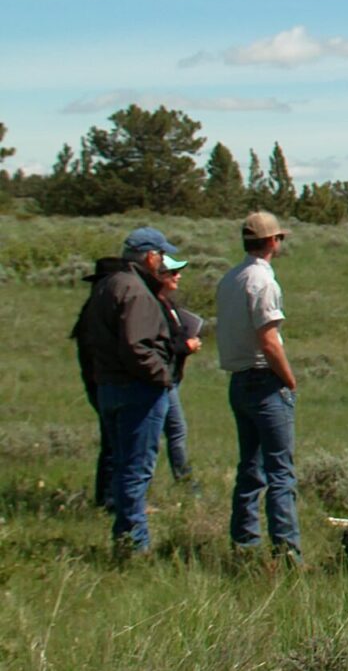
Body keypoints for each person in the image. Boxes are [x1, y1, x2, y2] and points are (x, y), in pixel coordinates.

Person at [80, 227, 182, 555]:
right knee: (136, 471)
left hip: (109, 387)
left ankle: (124, 537)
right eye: (162, 256)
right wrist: (162, 377)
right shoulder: (135, 291)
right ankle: (133, 545)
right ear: (150, 257)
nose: (164, 262)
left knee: (123, 466)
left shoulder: (107, 284)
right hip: (136, 391)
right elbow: (137, 347)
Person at [217, 211, 301, 560]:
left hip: (238, 382)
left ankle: (244, 543)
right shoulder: (263, 282)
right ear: (270, 242)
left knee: (250, 468)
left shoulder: (230, 278)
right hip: (264, 381)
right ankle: (287, 553)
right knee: (281, 472)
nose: (280, 244)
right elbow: (268, 340)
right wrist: (290, 380)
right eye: (279, 238)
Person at [71, 256, 129, 511]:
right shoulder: (99, 311)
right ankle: (110, 498)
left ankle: (108, 496)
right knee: (114, 443)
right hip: (105, 383)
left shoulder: (91, 309)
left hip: (99, 382)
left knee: (111, 441)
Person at [155, 253, 199, 488]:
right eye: (173, 273)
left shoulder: (168, 304)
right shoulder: (154, 305)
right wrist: (187, 346)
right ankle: (185, 483)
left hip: (171, 377)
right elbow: (162, 344)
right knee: (175, 431)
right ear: (159, 276)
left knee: (169, 432)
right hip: (162, 378)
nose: (178, 276)